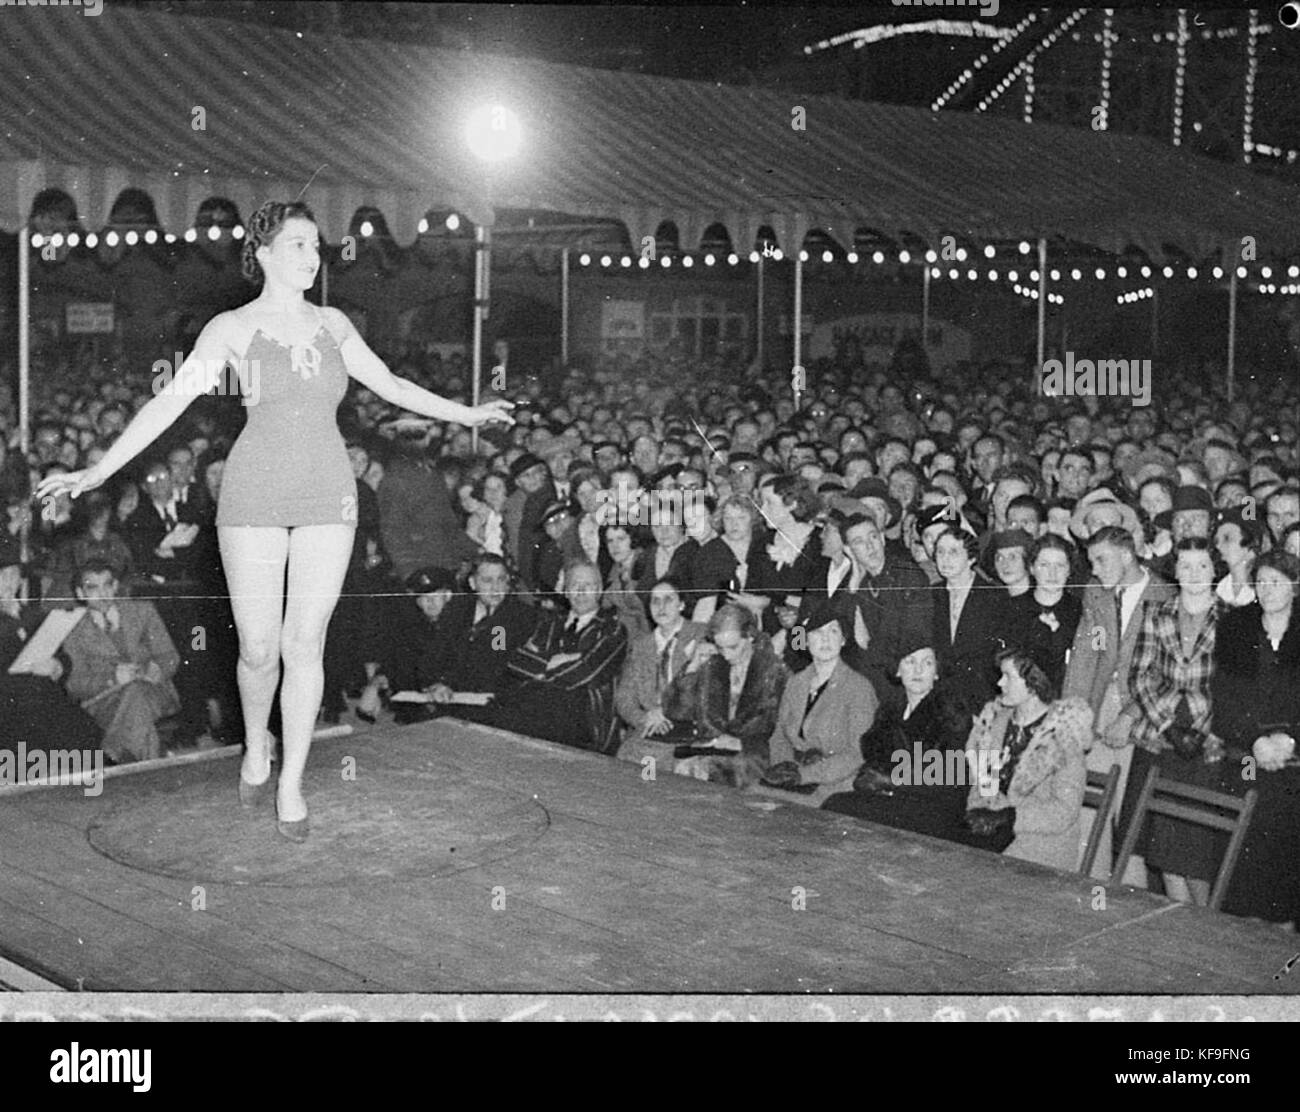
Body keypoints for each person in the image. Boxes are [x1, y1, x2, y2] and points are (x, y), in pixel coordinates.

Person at [36, 200, 513, 841]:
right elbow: (170, 402)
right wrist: (97, 471)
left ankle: (290, 780)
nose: (312, 257)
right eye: (297, 246)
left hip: (326, 491)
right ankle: (255, 744)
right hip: (254, 491)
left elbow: (393, 384)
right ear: (262, 254)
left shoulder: (335, 324)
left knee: (304, 643)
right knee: (259, 649)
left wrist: (469, 414)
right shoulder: (230, 329)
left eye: (316, 246)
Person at [1062, 525, 1175, 880]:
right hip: (1099, 705)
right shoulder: (1096, 594)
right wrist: (1074, 716)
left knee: (1128, 813)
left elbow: (1166, 670)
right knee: (1087, 801)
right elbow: (1087, 655)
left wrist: (1128, 715)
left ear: (1127, 556)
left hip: (1142, 712)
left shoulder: (1165, 595)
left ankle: (1129, 896)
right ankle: (1087, 885)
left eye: (1100, 559)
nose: (1093, 569)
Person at [1124, 538, 1227, 905]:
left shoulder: (1231, 618)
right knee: (1164, 849)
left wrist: (1199, 731)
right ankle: (1180, 925)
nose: (1194, 574)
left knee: (1194, 850)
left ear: (1215, 570)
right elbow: (1138, 677)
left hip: (1207, 738)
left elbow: (1232, 687)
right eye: (1185, 566)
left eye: (1202, 566)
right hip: (1160, 732)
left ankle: (1206, 922)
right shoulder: (1157, 612)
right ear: (1175, 570)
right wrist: (1168, 726)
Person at [1211, 550, 1300, 927]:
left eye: (1276, 582)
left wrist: (1292, 740)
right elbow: (1223, 694)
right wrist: (1255, 741)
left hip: (1295, 765)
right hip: (1246, 761)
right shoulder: (1236, 626)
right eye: (1261, 582)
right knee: (1245, 871)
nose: (1267, 590)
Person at [823, 641, 971, 842]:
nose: (918, 670)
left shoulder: (951, 711)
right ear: (898, 670)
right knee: (834, 805)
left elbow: (951, 780)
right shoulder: (891, 708)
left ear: (936, 672)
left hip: (933, 805)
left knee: (848, 812)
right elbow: (875, 755)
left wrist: (892, 781)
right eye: (910, 662)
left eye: (927, 663)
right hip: (895, 797)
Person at [963, 647, 1092, 870]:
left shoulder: (1064, 733)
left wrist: (1010, 818)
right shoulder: (995, 722)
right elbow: (982, 784)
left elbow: (1064, 811)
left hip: (1041, 848)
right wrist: (978, 812)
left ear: (1033, 683)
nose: (1000, 684)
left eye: (1008, 677)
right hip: (995, 842)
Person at [491, 559, 628, 753]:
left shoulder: (612, 629)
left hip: (585, 725)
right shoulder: (550, 623)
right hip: (538, 714)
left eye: (587, 586)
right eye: (574, 585)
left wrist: (541, 670)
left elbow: (586, 673)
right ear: (565, 590)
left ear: (599, 591)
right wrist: (567, 660)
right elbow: (517, 661)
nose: (580, 592)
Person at [61, 559, 181, 764]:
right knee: (137, 710)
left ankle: (112, 754)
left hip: (153, 692)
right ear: (80, 594)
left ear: (115, 586)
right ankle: (145, 766)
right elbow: (74, 684)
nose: (102, 593)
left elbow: (170, 656)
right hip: (104, 702)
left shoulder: (143, 611)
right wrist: (112, 678)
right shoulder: (72, 629)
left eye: (107, 585)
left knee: (136, 692)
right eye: (92, 588)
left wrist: (157, 670)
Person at [759, 605, 877, 806]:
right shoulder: (796, 682)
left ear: (843, 640)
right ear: (805, 640)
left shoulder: (858, 688)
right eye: (817, 632)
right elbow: (779, 735)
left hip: (836, 784)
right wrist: (783, 768)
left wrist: (803, 776)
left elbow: (857, 754)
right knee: (753, 797)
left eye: (833, 631)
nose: (825, 639)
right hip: (796, 779)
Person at [662, 603, 787, 788]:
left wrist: (741, 743)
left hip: (753, 754)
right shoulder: (713, 664)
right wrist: (693, 666)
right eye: (720, 647)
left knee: (702, 772)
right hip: (710, 749)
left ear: (750, 636)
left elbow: (779, 731)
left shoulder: (774, 671)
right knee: (663, 765)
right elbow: (677, 712)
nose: (726, 655)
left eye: (733, 647)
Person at [0, 537, 102, 757]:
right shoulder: (14, 617)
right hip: (10, 708)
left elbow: (60, 653)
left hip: (40, 700)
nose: (9, 582)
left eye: (13, 575)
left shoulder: (30, 614)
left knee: (87, 731)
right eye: (2, 576)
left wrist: (57, 666)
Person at [417, 553, 537, 722]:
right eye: (487, 581)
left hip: (493, 705)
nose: (496, 588)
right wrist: (435, 683)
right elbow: (435, 653)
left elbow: (493, 659)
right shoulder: (457, 609)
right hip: (449, 698)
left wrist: (448, 684)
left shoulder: (516, 616)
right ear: (473, 583)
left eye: (501, 580)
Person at [613, 576, 708, 767]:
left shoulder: (701, 636)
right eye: (655, 601)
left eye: (668, 599)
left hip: (687, 732)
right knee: (629, 766)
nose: (661, 606)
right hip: (649, 730)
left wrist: (666, 711)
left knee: (666, 770)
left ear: (681, 604)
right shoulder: (641, 646)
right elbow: (624, 698)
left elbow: (706, 692)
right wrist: (646, 718)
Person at [931, 527, 1002, 719]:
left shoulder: (994, 597)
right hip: (940, 701)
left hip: (981, 699)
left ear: (971, 558)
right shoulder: (931, 595)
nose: (945, 559)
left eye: (953, 552)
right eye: (940, 552)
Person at [1003, 533, 1083, 693]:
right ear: (1032, 568)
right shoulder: (1011, 609)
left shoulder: (1081, 611)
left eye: (1060, 566)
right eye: (1044, 565)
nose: (1052, 574)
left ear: (1069, 570)